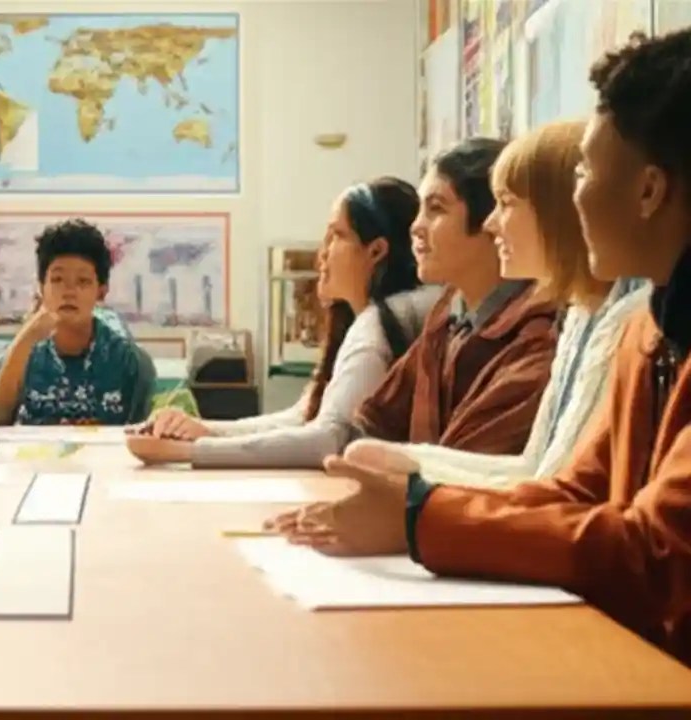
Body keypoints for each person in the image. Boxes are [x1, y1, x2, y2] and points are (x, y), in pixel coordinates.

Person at [276, 28, 691, 666]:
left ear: (649, 191)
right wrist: (420, 509)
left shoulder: (606, 325)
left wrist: (421, 518)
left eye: (584, 168)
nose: (575, 192)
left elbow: (653, 554)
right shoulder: (647, 329)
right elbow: (576, 489)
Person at [357, 121, 648, 487]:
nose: (492, 223)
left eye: (506, 204)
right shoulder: (575, 316)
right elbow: (537, 469)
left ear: (554, 210)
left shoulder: (583, 325)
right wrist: (393, 461)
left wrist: (412, 496)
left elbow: (556, 485)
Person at [127, 177, 442, 467]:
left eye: (337, 236)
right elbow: (302, 417)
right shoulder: (367, 320)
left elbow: (325, 440)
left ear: (376, 251)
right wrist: (202, 430)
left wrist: (186, 452)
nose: (323, 253)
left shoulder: (378, 326)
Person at [351, 138, 558, 454]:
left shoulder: (536, 336)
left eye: (436, 209)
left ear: (491, 222)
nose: (416, 227)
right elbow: (375, 422)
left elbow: (464, 467)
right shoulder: (449, 316)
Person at [0, 219, 156, 426]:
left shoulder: (129, 361)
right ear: (42, 288)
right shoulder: (20, 355)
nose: (69, 292)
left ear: (101, 292)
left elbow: (144, 434)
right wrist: (26, 337)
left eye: (83, 282)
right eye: (57, 280)